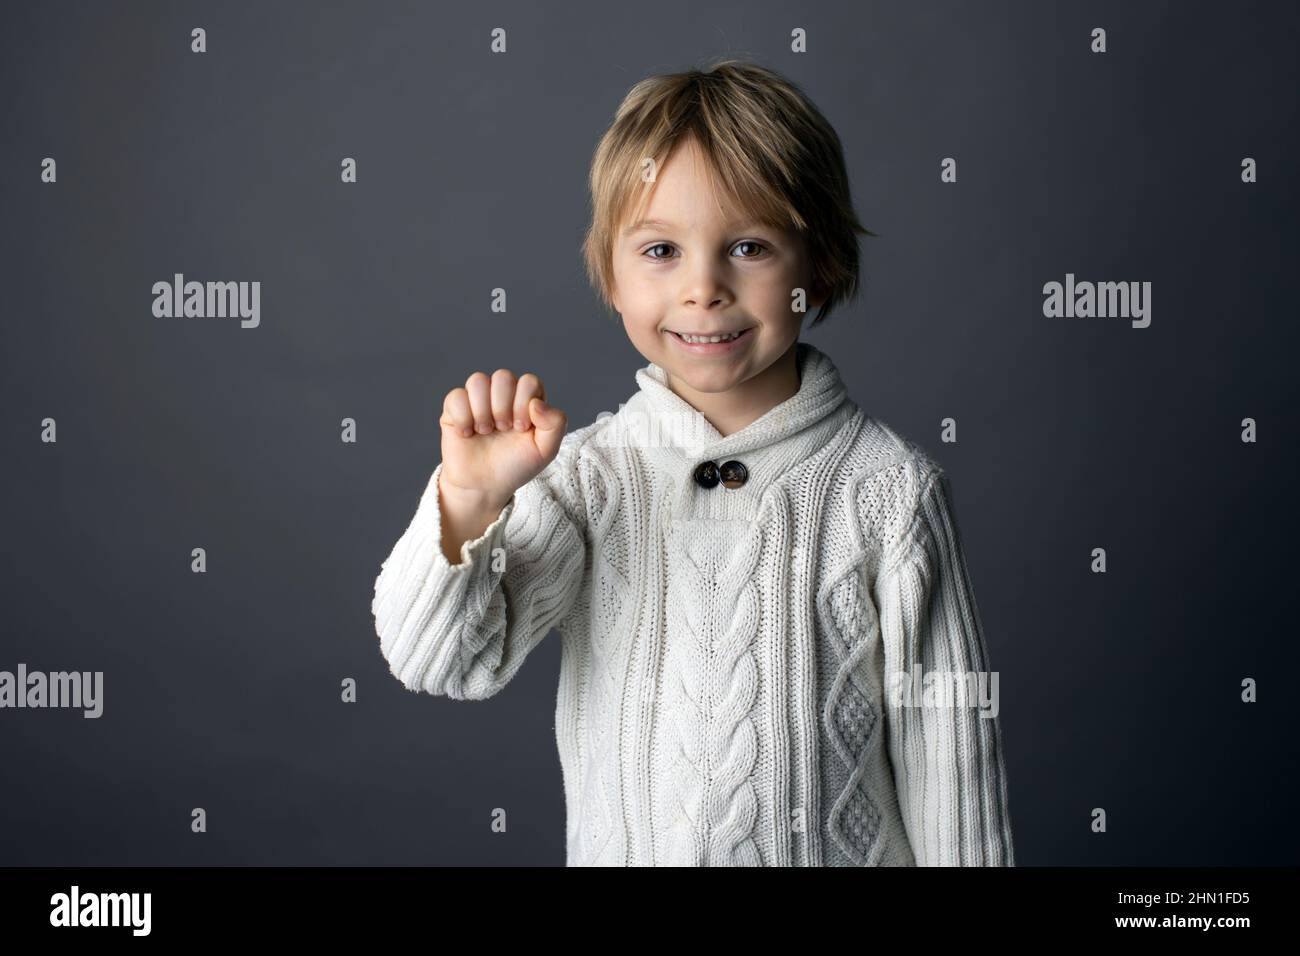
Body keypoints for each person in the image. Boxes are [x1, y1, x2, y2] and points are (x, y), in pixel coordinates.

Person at [371, 57, 1015, 866]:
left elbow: (950, 752)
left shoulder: (888, 491)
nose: (702, 288)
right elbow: (443, 661)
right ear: (610, 272)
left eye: (748, 246)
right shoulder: (586, 480)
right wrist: (469, 499)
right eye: (661, 250)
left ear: (818, 269)